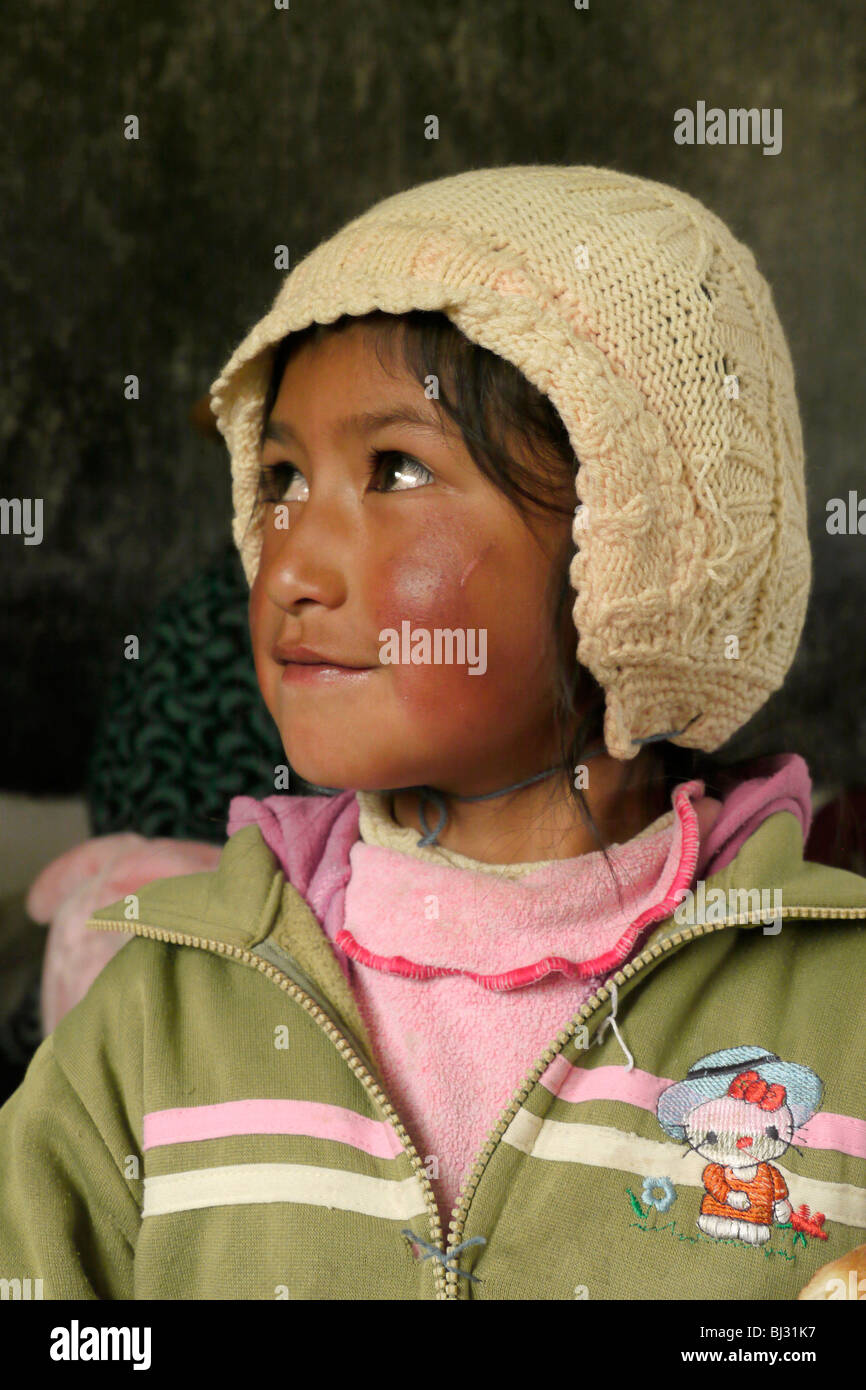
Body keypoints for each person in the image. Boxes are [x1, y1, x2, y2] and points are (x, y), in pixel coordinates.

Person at [1, 164, 864, 1301]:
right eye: (280, 478)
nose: (291, 563)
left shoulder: (834, 1022)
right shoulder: (154, 1021)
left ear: (643, 543)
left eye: (396, 469)